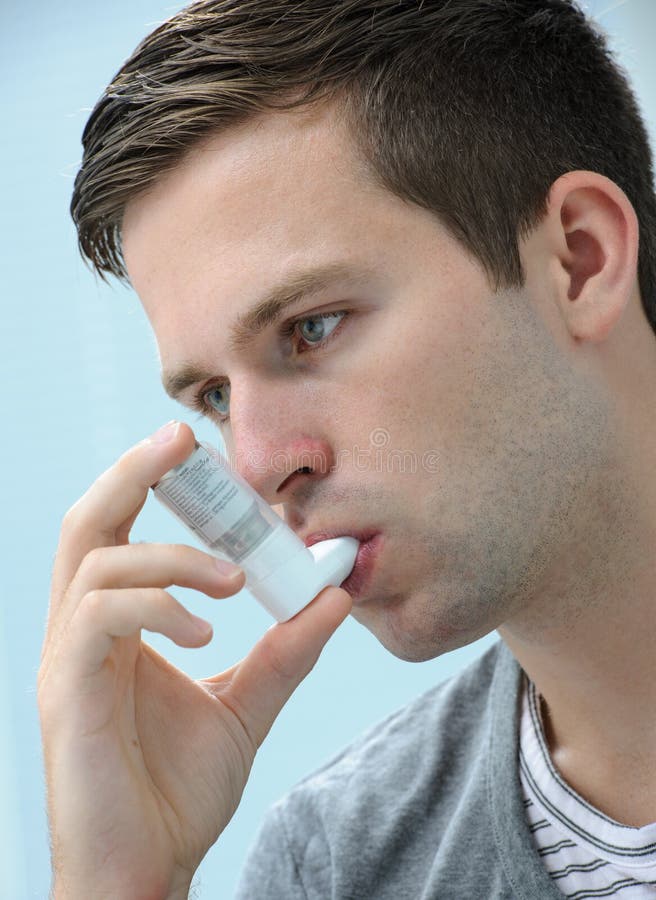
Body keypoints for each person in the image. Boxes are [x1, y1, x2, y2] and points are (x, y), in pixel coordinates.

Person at [38, 0, 656, 897]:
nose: (254, 466)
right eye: (213, 396)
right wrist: (119, 883)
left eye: (312, 328)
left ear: (580, 259)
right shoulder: (331, 865)